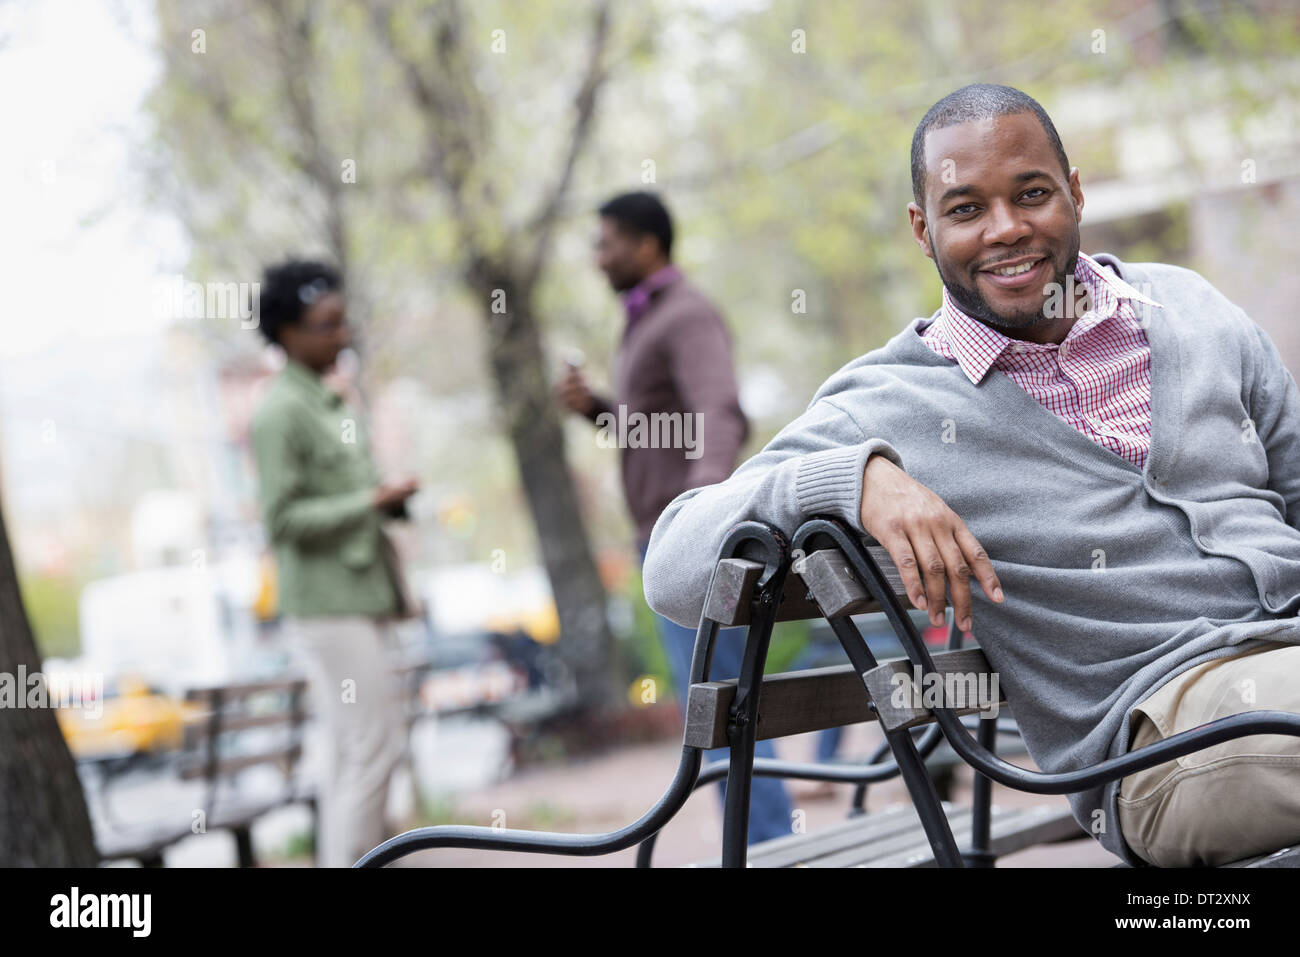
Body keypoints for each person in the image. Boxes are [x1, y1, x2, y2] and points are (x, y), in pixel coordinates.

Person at [642, 85, 1300, 868]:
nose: (1007, 230)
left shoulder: (1191, 307)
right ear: (923, 229)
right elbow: (673, 565)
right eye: (965, 209)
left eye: (1031, 194)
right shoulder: (890, 404)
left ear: (1076, 191)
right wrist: (852, 480)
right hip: (1157, 746)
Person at [556, 191, 795, 845]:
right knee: (721, 710)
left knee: (721, 712)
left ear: (647, 245)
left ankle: (765, 849)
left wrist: (703, 516)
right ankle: (764, 846)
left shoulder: (684, 315)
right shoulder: (645, 319)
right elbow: (664, 427)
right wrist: (599, 411)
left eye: (606, 243)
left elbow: (718, 412)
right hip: (666, 539)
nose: (597, 258)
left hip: (686, 545)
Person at [248, 259, 420, 867]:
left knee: (353, 754)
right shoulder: (279, 412)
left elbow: (354, 492)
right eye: (326, 325)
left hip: (362, 595)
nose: (341, 335)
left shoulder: (330, 402)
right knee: (374, 748)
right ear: (288, 333)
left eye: (342, 323)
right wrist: (371, 501)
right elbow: (283, 521)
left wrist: (387, 501)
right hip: (326, 604)